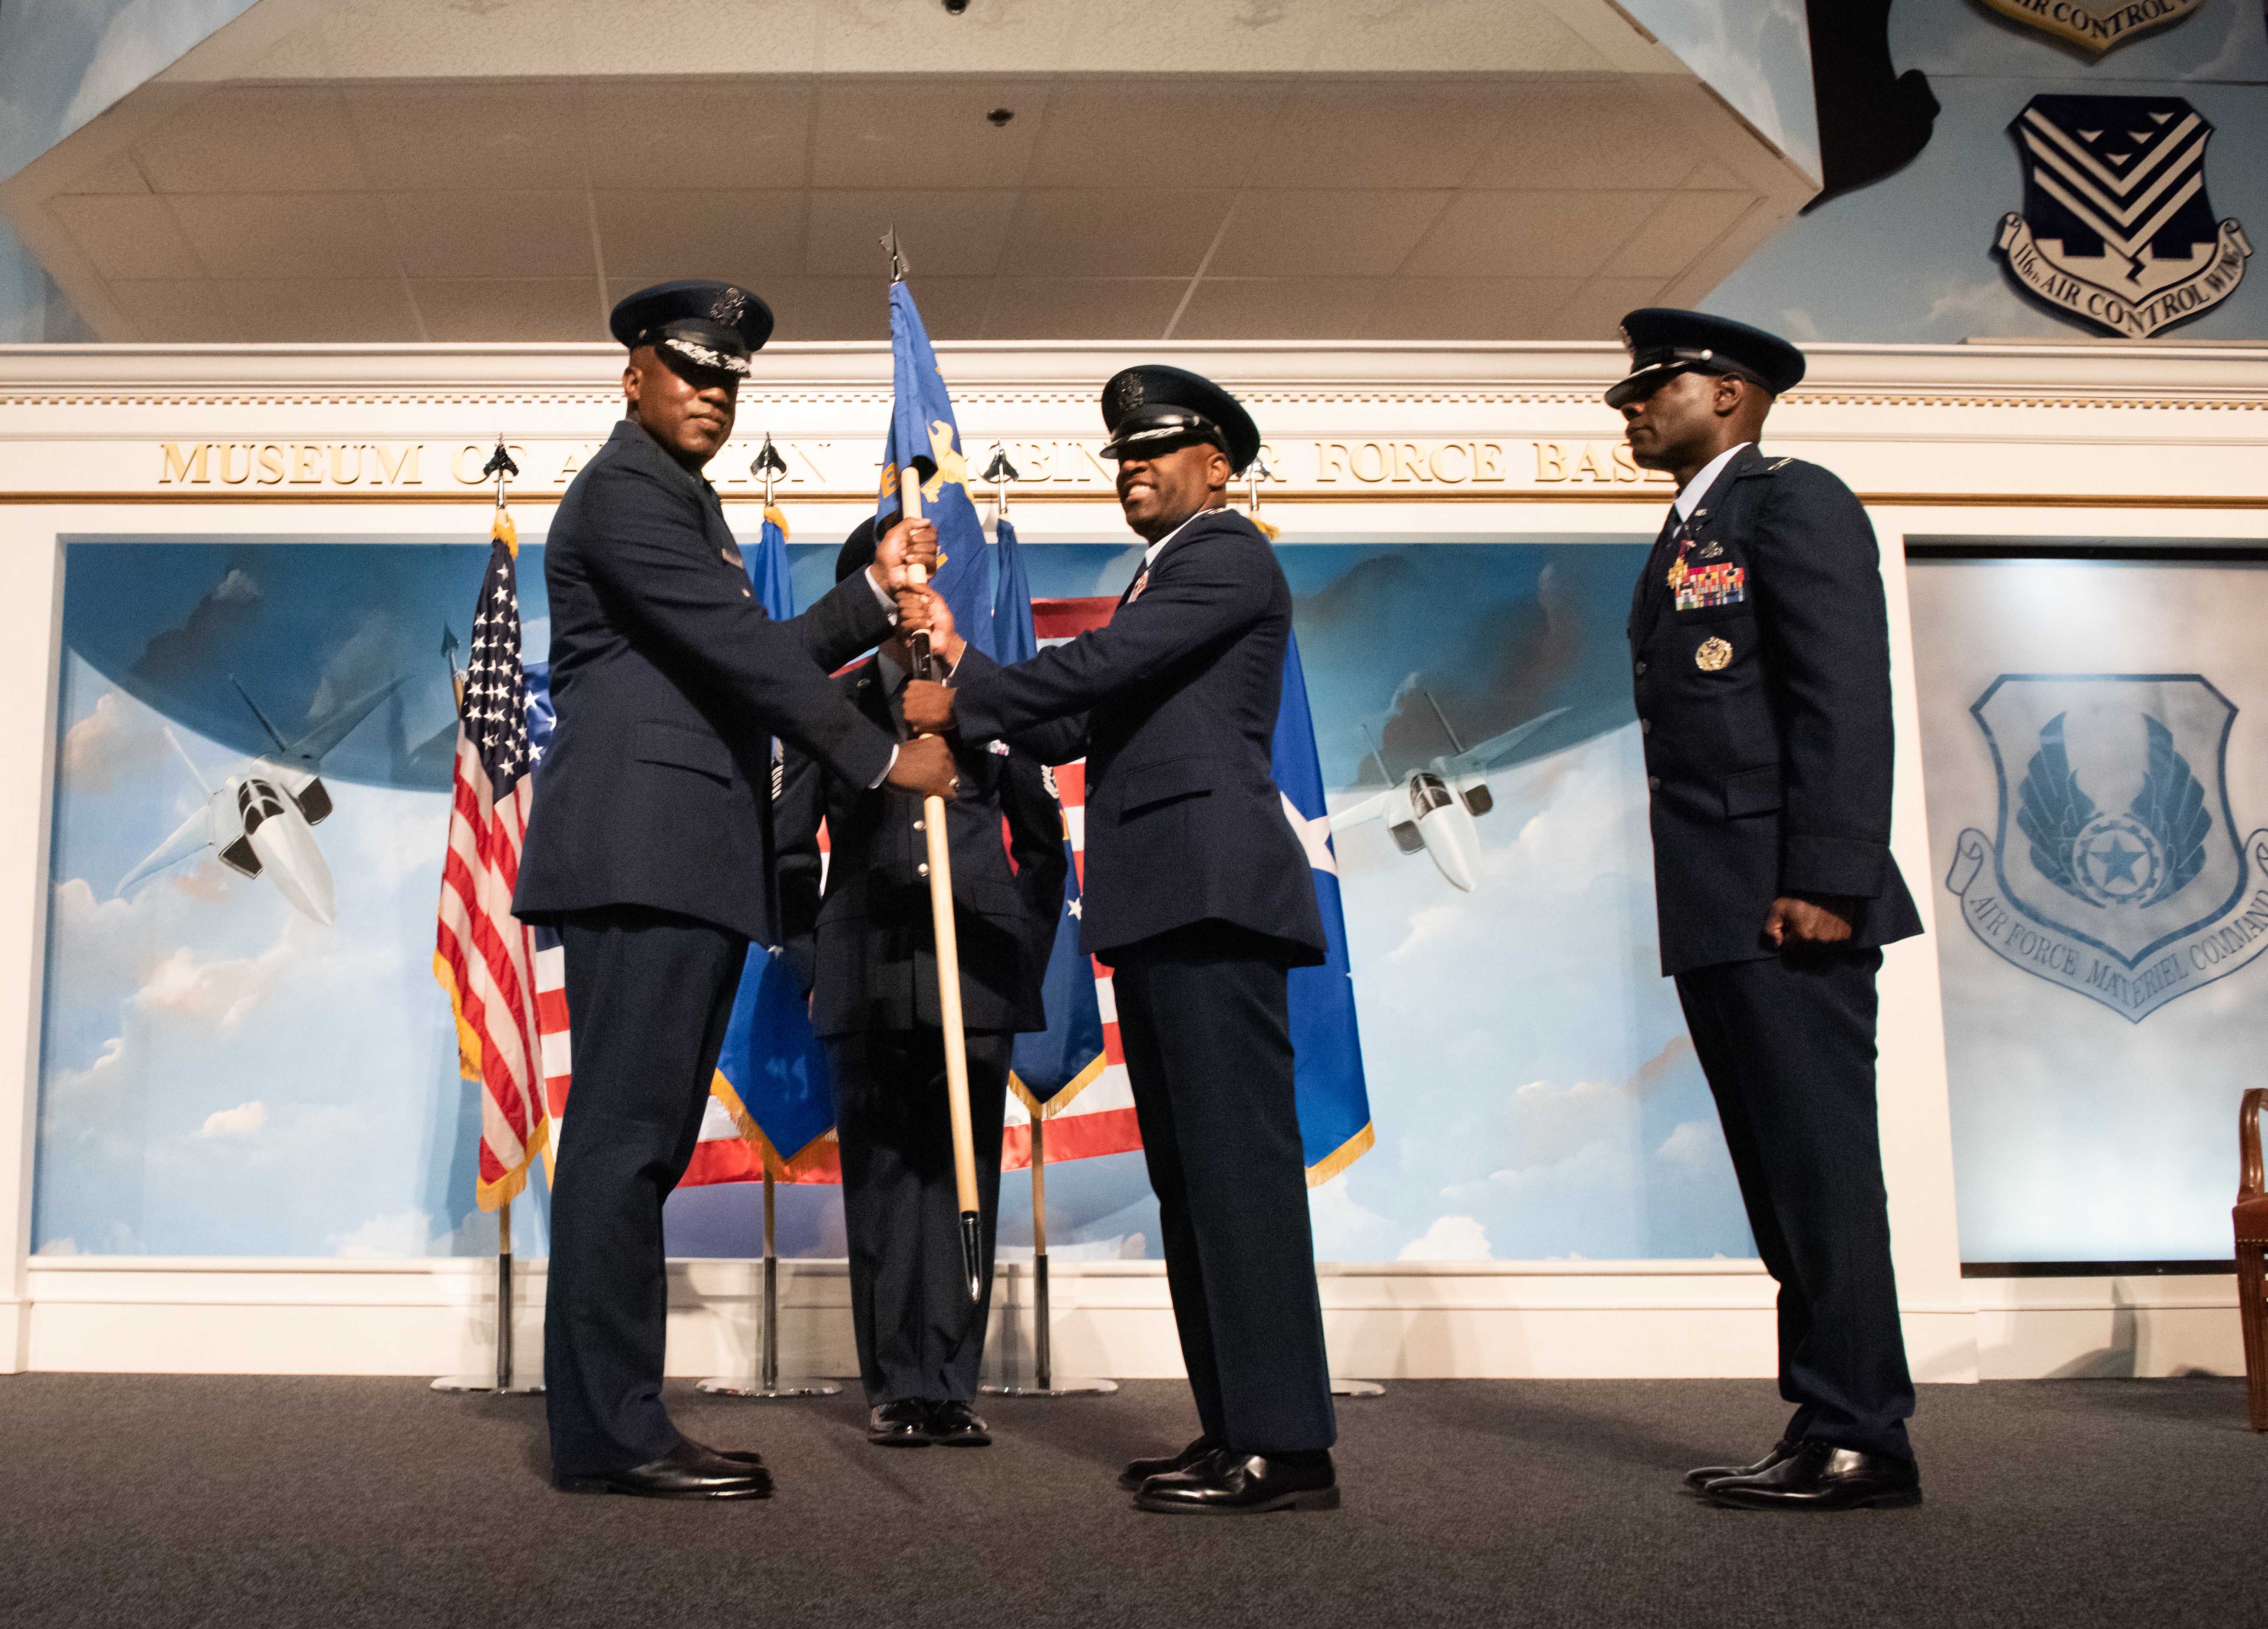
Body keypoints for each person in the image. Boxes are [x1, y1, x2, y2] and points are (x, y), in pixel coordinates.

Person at [512, 280, 957, 1501]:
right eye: (691, 372)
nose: (711, 394)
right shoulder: (625, 496)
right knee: (622, 1150)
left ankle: (618, 1421)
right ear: (634, 378)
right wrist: (879, 753)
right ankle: (610, 1434)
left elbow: (746, 654)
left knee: (637, 1148)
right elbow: (745, 662)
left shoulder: (678, 503)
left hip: (679, 860)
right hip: (642, 854)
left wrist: (872, 594)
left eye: (728, 381)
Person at [903, 365, 1339, 1515]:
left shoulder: (1225, 556)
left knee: (1237, 1180)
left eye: (1159, 450)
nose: (1134, 468)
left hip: (1215, 902)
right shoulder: (1160, 583)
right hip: (1165, 906)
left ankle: (1288, 1447)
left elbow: (1099, 672)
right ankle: (1236, 1427)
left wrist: (964, 702)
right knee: (1194, 1185)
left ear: (1220, 467)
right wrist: (955, 664)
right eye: (1124, 457)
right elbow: (1071, 720)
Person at [1609, 308, 1927, 1512]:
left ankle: (1866, 1435)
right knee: (1781, 1181)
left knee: (1825, 1171)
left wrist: (1829, 879)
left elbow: (1844, 698)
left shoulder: (1795, 503)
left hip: (1794, 901)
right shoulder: (1687, 528)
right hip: (1720, 906)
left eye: (1654, 388)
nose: (1630, 407)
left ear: (1729, 394)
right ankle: (1825, 1418)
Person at [773, 521, 1070, 1449]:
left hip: (971, 968)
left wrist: (1012, 944)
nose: (913, 596)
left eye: (925, 579)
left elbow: (1042, 843)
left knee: (960, 1177)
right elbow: (783, 846)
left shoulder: (983, 696)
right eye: (899, 581)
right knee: (884, 1184)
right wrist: (807, 957)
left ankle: (951, 1382)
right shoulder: (831, 706)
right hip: (865, 970)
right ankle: (897, 1384)